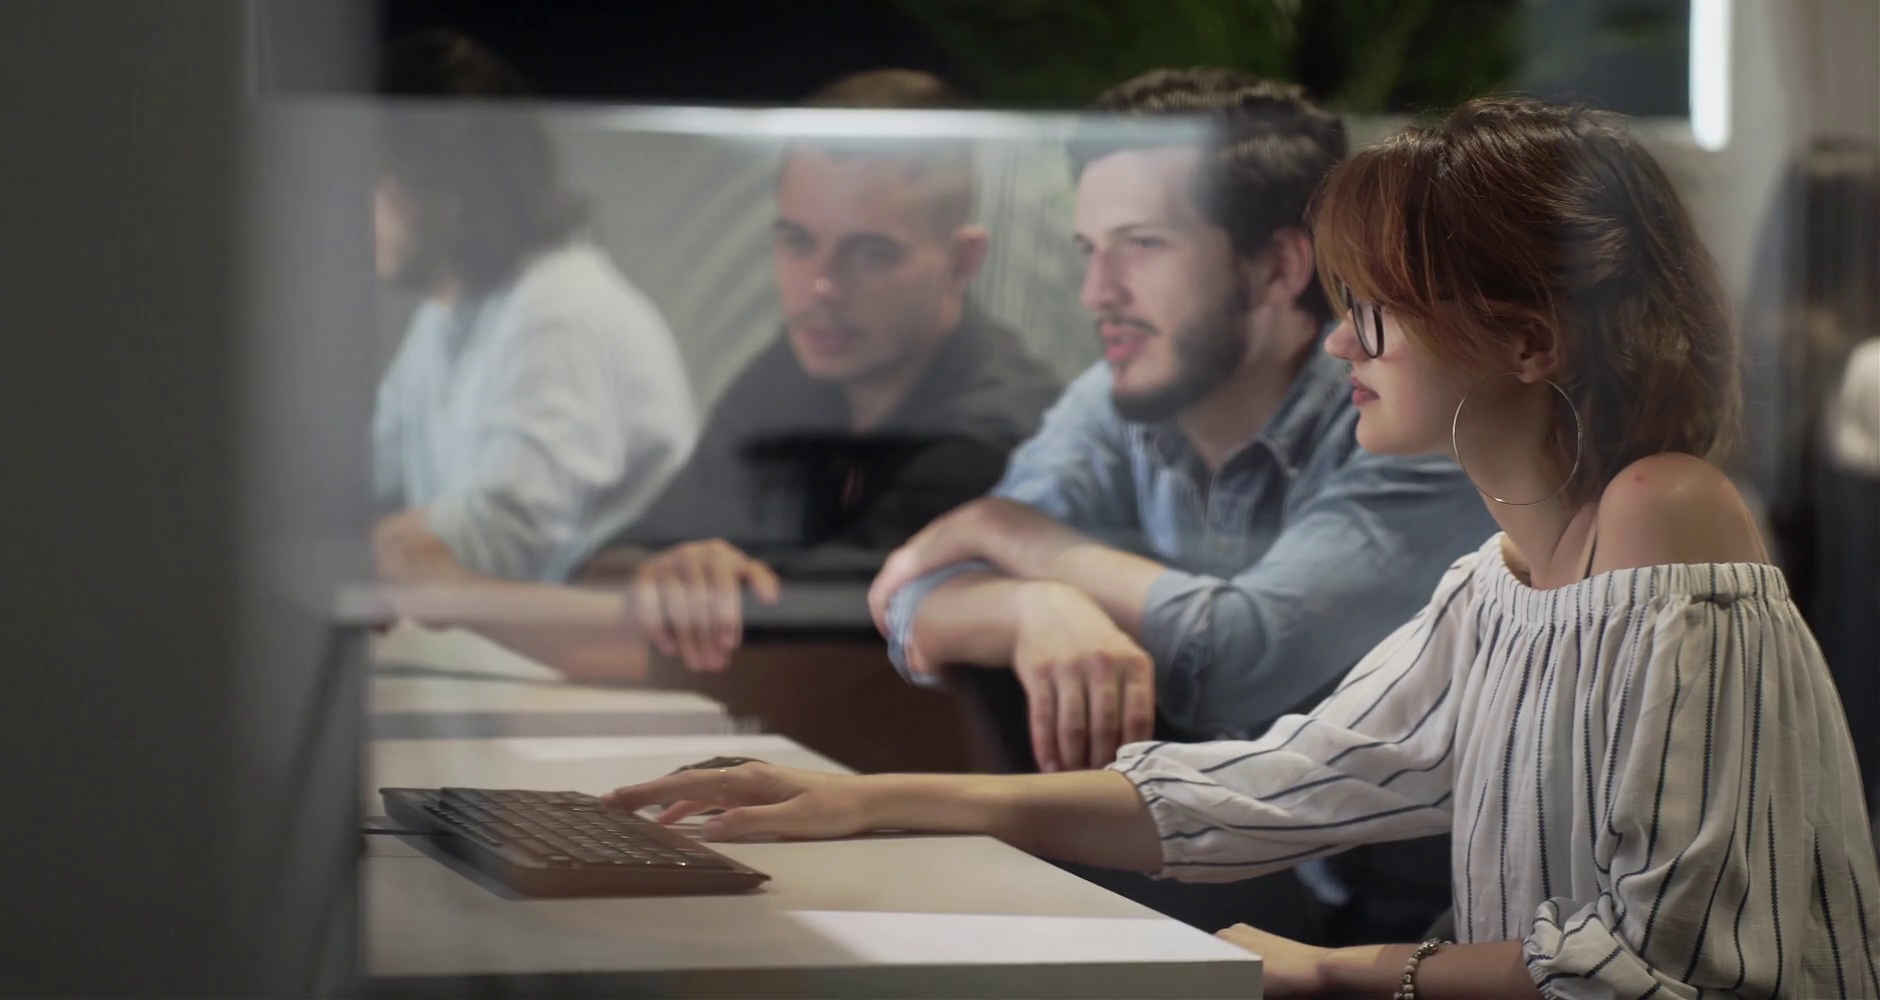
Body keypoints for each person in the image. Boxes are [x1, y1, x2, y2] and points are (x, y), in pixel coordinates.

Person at [608, 97, 1880, 998]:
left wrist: (1341, 974)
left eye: (1376, 314)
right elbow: (1280, 782)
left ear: (1532, 342)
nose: (1341, 348)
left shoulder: (1664, 507)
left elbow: (1672, 966)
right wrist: (872, 803)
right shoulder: (1496, 579)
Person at [869, 69, 1496, 942]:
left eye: (1142, 245)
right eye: (1090, 250)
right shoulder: (1122, 397)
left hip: (1417, 943)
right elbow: (914, 597)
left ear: (1278, 266)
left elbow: (1238, 658)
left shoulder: (1403, 414)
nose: (1097, 293)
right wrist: (1032, 606)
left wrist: (1014, 537)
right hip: (1223, 902)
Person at [584, 70, 1061, 673]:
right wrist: (657, 571)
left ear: (963, 261)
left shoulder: (999, 432)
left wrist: (693, 590)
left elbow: (804, 628)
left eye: (872, 253)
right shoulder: (800, 364)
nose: (821, 288)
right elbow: (603, 567)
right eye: (796, 243)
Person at [370, 30, 696, 584]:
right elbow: (368, 480)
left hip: (592, 657)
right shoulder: (448, 314)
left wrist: (378, 545)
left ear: (445, 194)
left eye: (376, 183)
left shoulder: (559, 309)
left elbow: (501, 538)